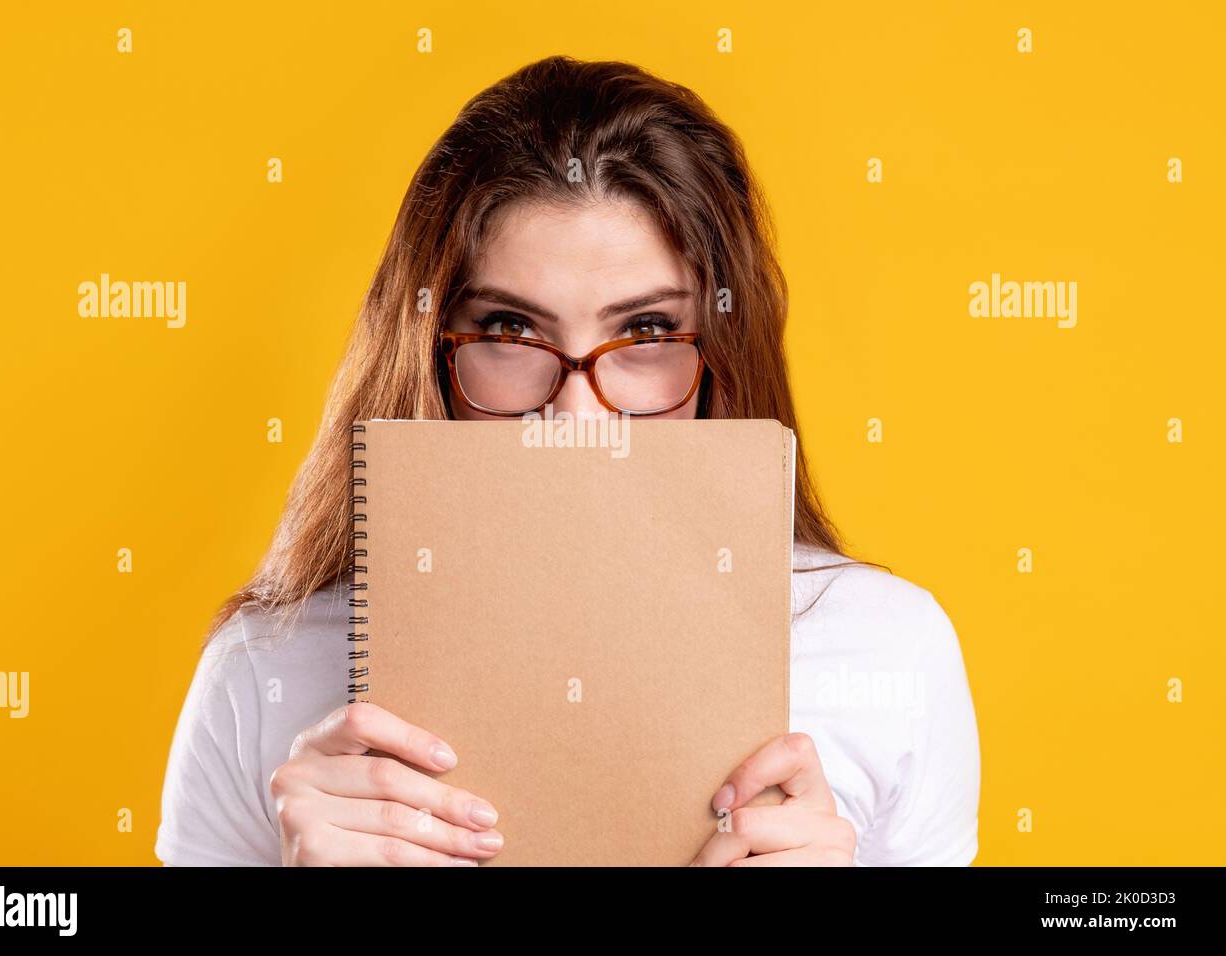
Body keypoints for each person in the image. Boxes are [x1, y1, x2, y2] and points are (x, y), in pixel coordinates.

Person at [155, 55, 980, 867]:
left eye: (648, 332)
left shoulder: (888, 651)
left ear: (725, 349)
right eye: (512, 331)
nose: (575, 415)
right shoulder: (263, 671)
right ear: (428, 350)